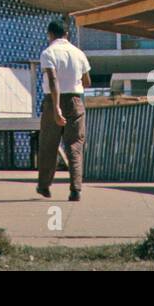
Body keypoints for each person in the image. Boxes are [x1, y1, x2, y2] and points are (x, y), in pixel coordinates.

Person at [36, 19, 91, 201]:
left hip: (53, 102)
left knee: (48, 145)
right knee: (75, 146)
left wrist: (57, 107)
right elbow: (87, 81)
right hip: (76, 101)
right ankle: (76, 188)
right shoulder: (79, 53)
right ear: (67, 34)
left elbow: (53, 81)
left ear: (50, 35)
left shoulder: (48, 53)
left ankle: (44, 186)